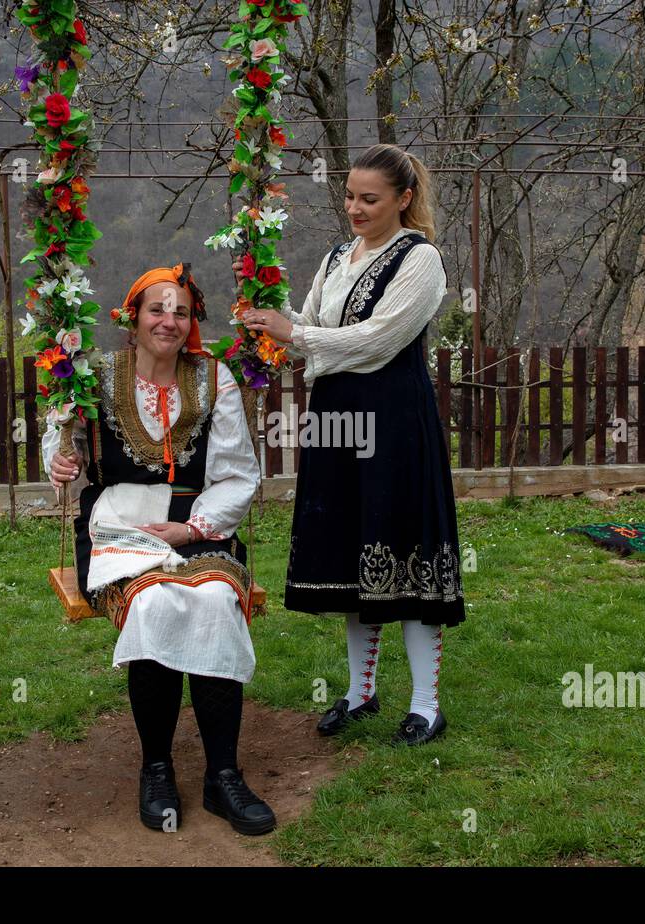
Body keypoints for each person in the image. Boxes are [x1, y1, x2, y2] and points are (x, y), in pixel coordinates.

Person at [239, 143, 465, 746]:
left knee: (406, 556)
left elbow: (377, 340)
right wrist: (269, 313)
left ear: (404, 199)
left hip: (393, 422)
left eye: (370, 198)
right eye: (349, 196)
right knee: (355, 556)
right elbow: (308, 330)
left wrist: (299, 333)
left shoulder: (422, 260)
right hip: (336, 419)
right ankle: (360, 691)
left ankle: (426, 705)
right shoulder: (339, 257)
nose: (355, 209)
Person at [43, 262, 277, 835]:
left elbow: (240, 476)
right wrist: (60, 458)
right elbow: (58, 436)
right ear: (133, 318)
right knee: (152, 605)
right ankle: (157, 767)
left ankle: (223, 775)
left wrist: (193, 528)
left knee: (216, 602)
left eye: (180, 311)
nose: (168, 321)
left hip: (196, 523)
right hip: (118, 522)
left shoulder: (212, 378)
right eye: (156, 309)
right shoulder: (93, 376)